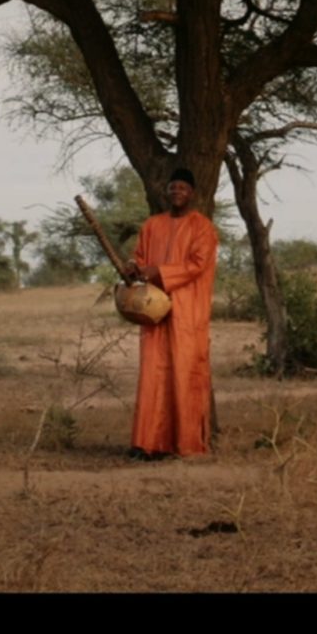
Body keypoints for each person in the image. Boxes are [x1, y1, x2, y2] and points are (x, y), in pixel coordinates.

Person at [124, 165, 217, 459]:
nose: (177, 191)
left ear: (192, 193)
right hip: (153, 311)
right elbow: (139, 258)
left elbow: (197, 265)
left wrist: (158, 272)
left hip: (187, 311)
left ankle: (185, 443)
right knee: (153, 374)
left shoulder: (202, 227)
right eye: (173, 187)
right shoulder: (152, 225)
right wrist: (133, 268)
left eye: (183, 188)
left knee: (185, 373)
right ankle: (148, 443)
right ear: (166, 192)